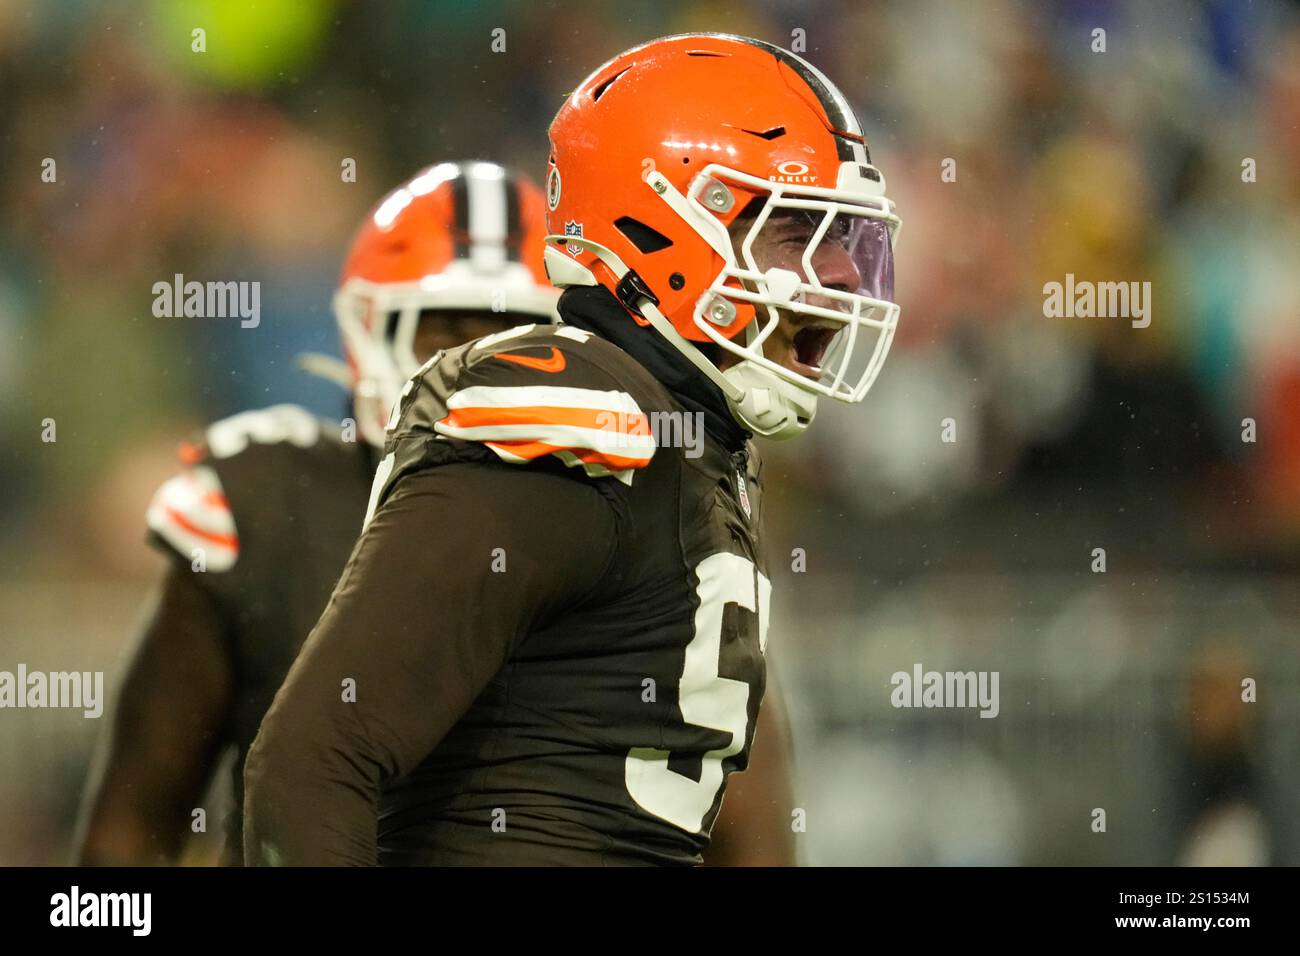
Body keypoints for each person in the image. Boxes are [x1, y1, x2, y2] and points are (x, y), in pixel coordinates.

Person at [243, 32, 900, 866]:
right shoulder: (572, 422)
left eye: (842, 235)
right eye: (795, 228)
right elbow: (311, 763)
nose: (840, 272)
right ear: (664, 228)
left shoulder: (695, 444)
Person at [76, 161, 560, 865]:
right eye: (442, 334)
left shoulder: (650, 513)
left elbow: (734, 829)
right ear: (369, 328)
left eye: (509, 337)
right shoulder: (261, 509)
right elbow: (129, 835)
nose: (470, 370)